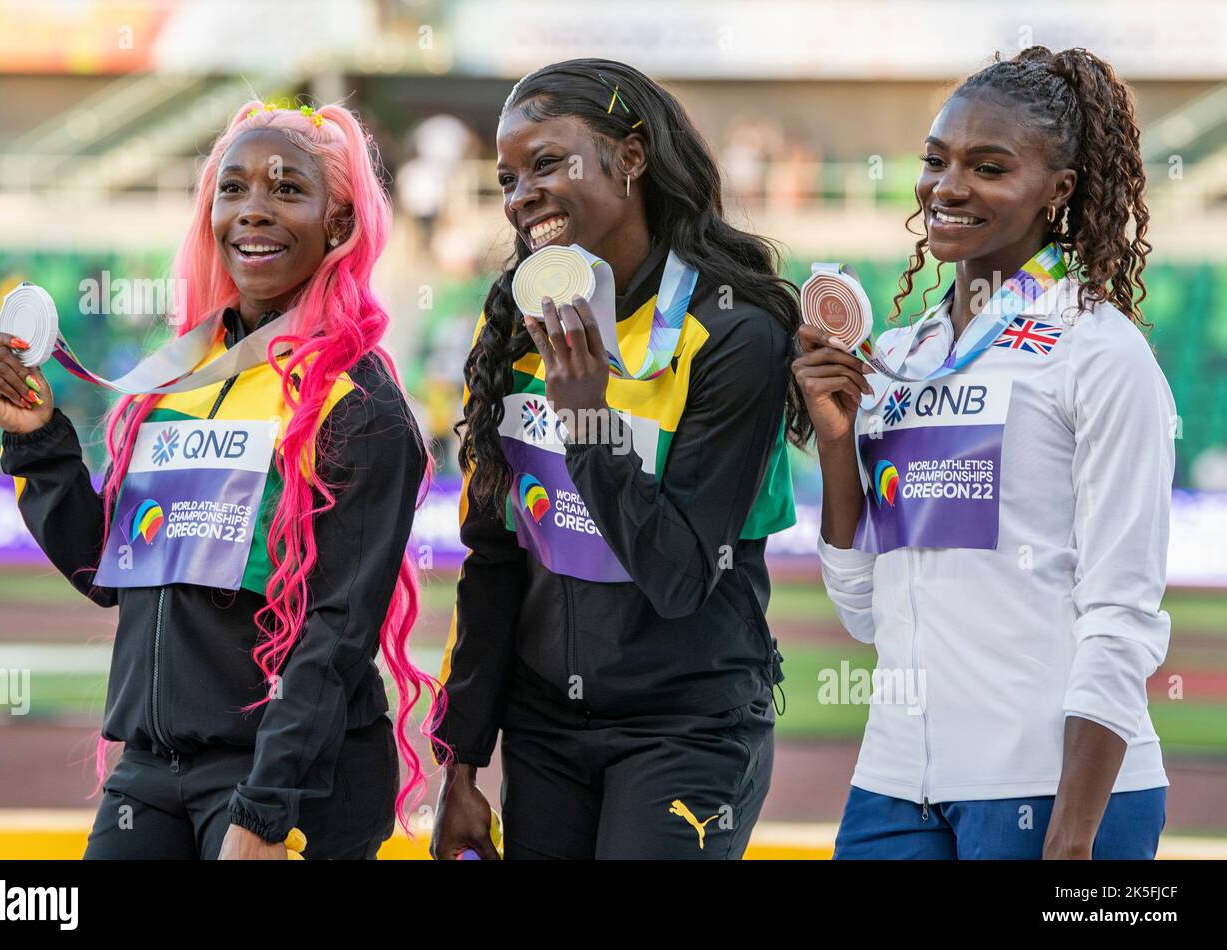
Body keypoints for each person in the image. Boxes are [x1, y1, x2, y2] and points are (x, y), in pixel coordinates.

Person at [0, 99, 442, 860]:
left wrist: (266, 812)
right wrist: (42, 448)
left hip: (286, 783)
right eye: (232, 189)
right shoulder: (180, 377)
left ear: (338, 223)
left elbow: (335, 634)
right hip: (151, 774)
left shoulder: (359, 404)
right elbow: (111, 571)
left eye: (286, 189)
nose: (251, 212)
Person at [795, 47, 1173, 859]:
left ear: (1059, 191)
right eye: (937, 160)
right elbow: (865, 611)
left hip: (1052, 796)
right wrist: (836, 444)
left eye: (988, 167)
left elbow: (1122, 614)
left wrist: (1073, 839)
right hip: (895, 787)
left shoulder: (1098, 353)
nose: (948, 187)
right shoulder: (902, 355)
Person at [431, 59, 811, 860]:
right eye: (507, 176)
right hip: (544, 733)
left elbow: (678, 576)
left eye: (546, 163)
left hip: (688, 729)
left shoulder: (735, 335)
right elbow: (494, 559)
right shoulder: (512, 328)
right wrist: (460, 764)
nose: (520, 193)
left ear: (631, 158)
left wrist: (590, 423)